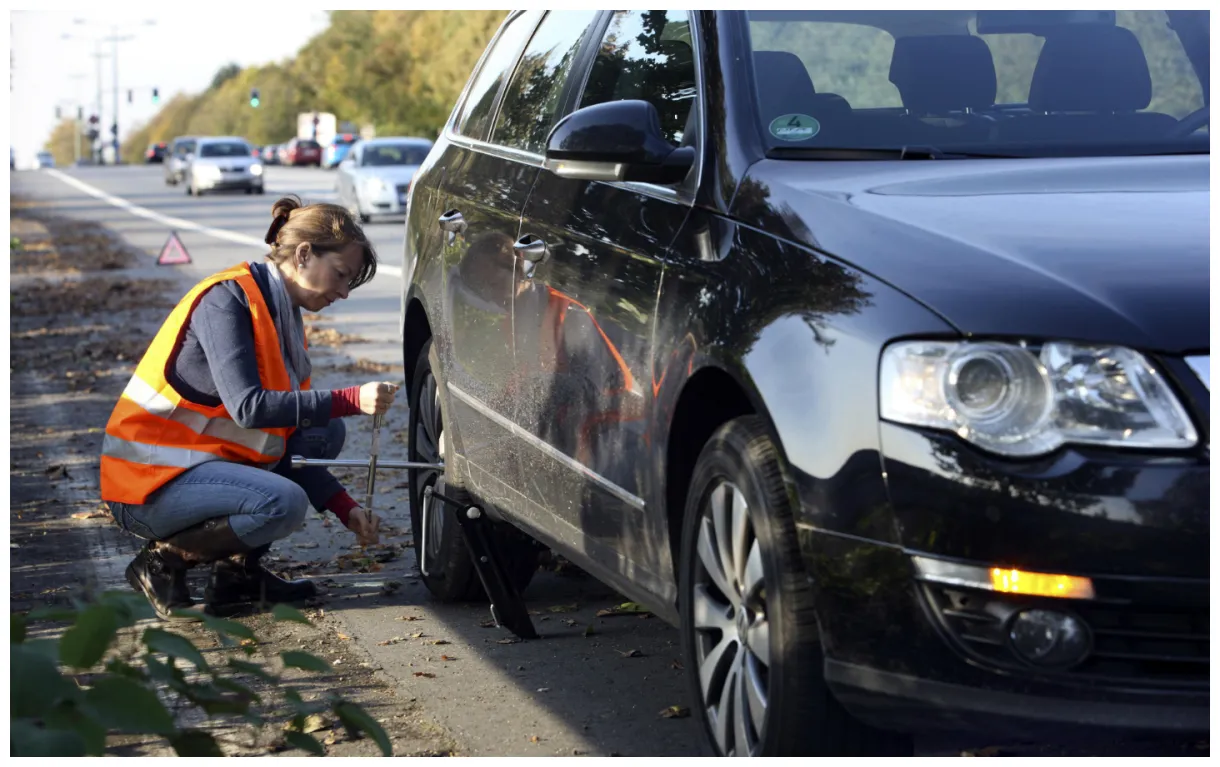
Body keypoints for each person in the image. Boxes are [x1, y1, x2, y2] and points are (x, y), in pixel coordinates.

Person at [102, 195, 399, 620]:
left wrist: (345, 509)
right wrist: (351, 400)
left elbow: (285, 446)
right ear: (303, 254)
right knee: (284, 503)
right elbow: (249, 409)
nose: (345, 292)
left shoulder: (282, 313)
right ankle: (164, 561)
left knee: (323, 432)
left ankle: (237, 575)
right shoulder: (228, 300)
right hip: (147, 486)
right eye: (341, 275)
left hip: (198, 468)